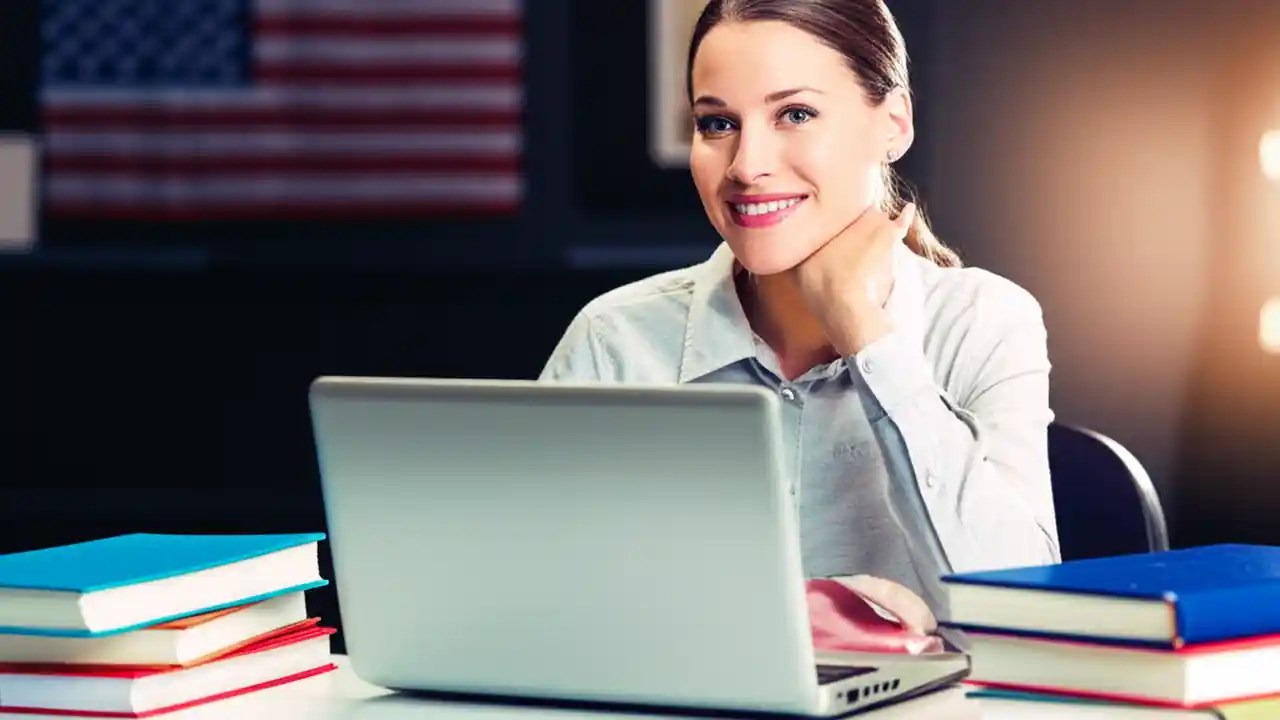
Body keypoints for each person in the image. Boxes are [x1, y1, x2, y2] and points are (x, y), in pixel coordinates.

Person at [539, 0, 1059, 629]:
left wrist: (866, 333)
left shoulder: (984, 322)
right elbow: (545, 607)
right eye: (718, 123)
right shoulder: (615, 341)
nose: (746, 165)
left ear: (893, 124)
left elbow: (1024, 611)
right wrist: (830, 610)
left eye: (795, 113)